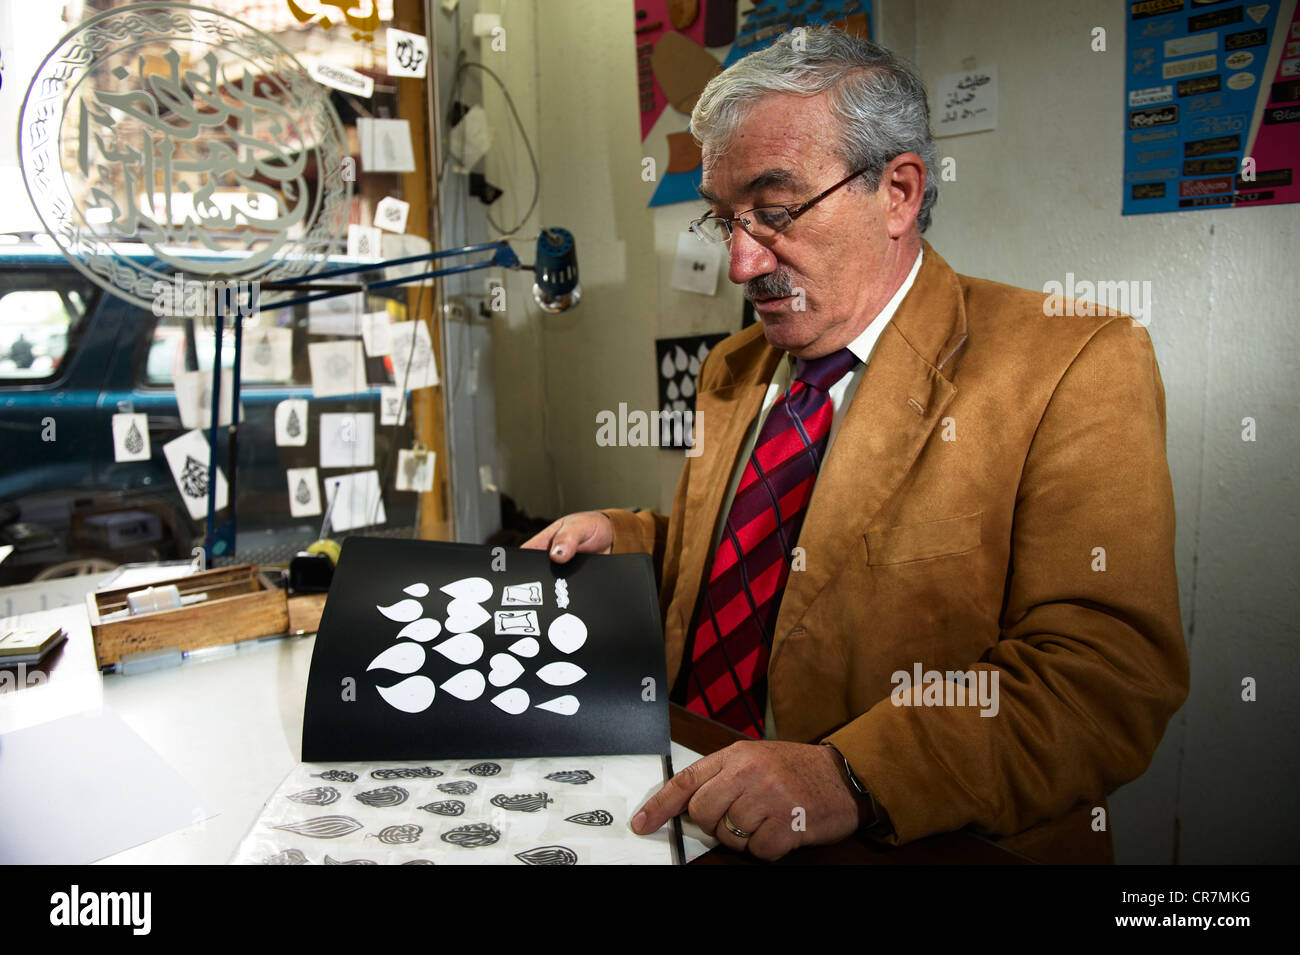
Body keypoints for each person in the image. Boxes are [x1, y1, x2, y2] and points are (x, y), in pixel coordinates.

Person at [524, 28, 1187, 862]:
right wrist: (623, 538)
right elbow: (734, 556)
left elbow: (1104, 679)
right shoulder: (734, 368)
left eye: (775, 211)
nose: (738, 261)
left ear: (898, 192)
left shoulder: (1073, 362)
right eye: (725, 218)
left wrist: (852, 775)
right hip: (687, 817)